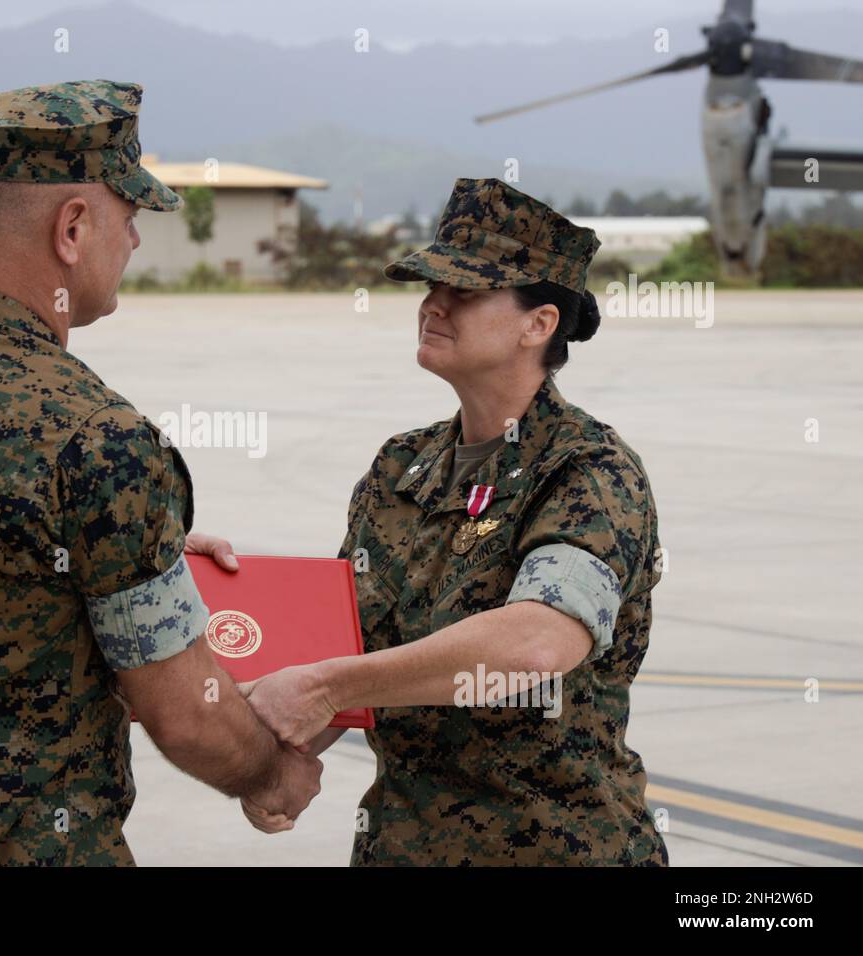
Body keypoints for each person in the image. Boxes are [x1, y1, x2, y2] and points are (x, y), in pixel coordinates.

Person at [0, 79, 320, 866]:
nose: (137, 242)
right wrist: (269, 771)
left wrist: (126, 558)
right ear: (73, 227)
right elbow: (184, 713)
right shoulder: (98, 439)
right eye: (131, 217)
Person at [240, 178, 667, 866]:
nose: (434, 303)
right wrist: (280, 758)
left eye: (465, 289)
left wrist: (322, 690)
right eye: (430, 285)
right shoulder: (401, 467)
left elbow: (534, 645)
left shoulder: (588, 470)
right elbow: (347, 638)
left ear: (540, 324)